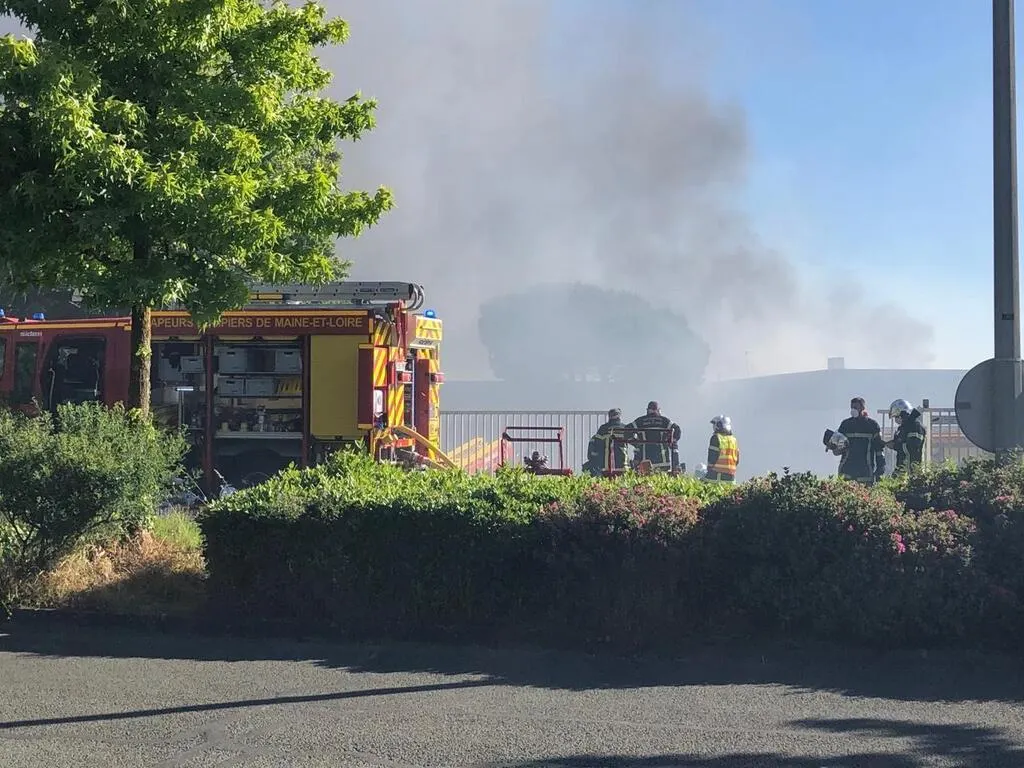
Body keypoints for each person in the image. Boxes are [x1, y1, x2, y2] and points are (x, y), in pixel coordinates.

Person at [834, 397, 886, 484]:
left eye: (855, 407)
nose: (853, 410)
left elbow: (878, 449)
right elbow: (838, 448)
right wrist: (833, 446)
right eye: (852, 408)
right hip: (846, 470)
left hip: (865, 472)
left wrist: (880, 468)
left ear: (862, 408)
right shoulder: (845, 425)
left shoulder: (872, 425)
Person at [627, 401, 680, 473]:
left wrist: (636, 443)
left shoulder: (640, 421)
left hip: (645, 460)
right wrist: (671, 441)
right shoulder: (664, 421)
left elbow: (627, 431)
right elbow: (677, 430)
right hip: (662, 460)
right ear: (658, 410)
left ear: (647, 410)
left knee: (646, 481)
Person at [583, 408, 628, 476]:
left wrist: (595, 459)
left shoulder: (603, 429)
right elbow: (635, 443)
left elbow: (596, 444)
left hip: (605, 466)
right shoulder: (625, 428)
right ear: (619, 416)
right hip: (622, 465)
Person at [886, 398, 926, 473]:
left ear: (901, 414)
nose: (896, 420)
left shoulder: (915, 426)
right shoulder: (904, 428)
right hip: (902, 468)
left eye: (896, 417)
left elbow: (913, 447)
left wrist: (895, 445)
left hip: (912, 471)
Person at [705, 415, 740, 482]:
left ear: (718, 425)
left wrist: (709, 470)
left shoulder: (716, 438)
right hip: (731, 479)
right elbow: (737, 461)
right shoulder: (734, 440)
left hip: (716, 477)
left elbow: (712, 459)